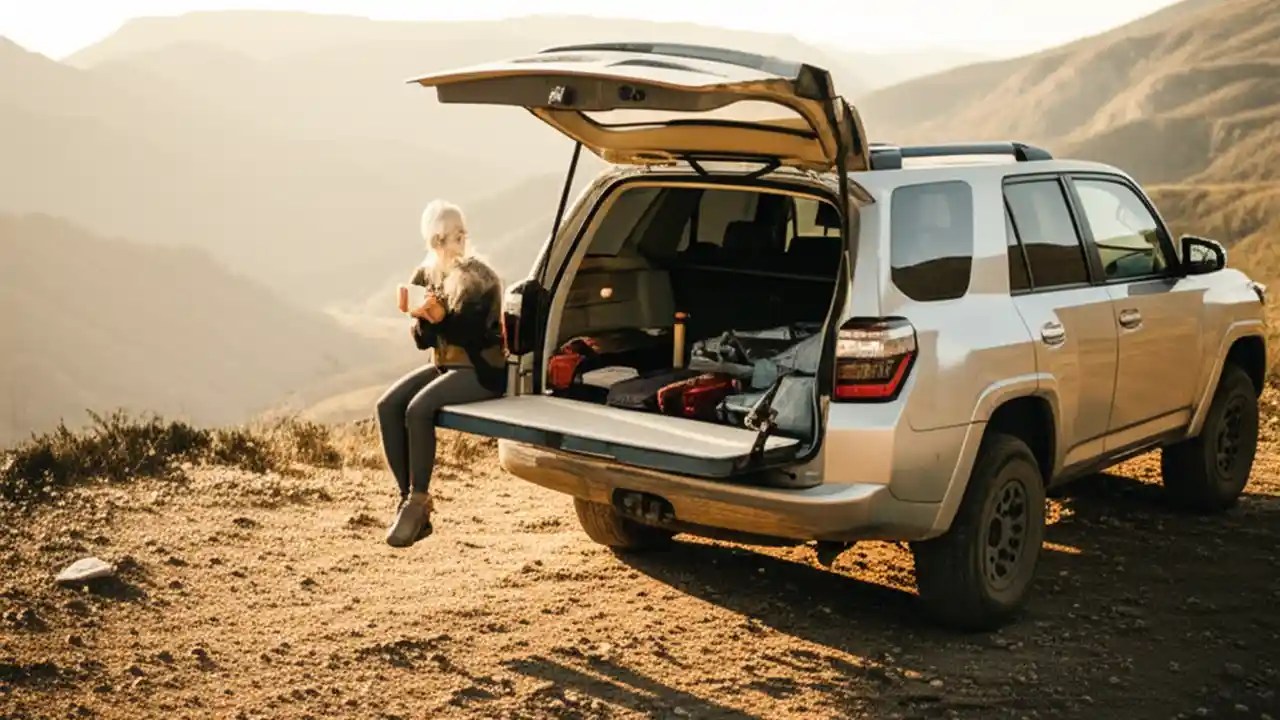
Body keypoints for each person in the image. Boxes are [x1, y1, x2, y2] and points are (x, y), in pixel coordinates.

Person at [376, 200, 507, 547]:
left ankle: (418, 499)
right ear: (435, 240)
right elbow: (423, 342)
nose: (462, 239)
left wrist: (441, 318)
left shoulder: (480, 277)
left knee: (418, 410)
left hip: (482, 370)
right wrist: (421, 317)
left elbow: (475, 335)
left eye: (463, 232)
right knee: (387, 406)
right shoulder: (426, 276)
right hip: (444, 366)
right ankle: (407, 500)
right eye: (453, 234)